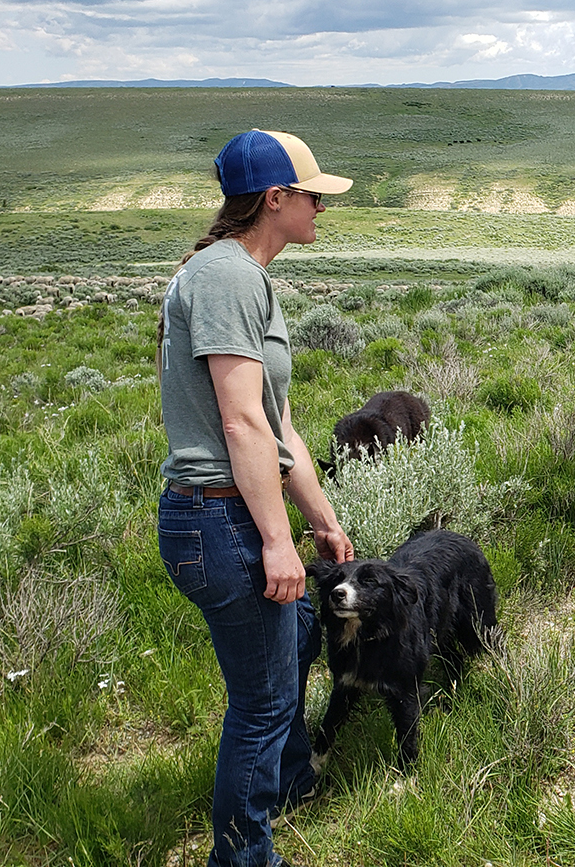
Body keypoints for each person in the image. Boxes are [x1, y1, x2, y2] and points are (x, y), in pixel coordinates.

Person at [157, 129, 356, 867]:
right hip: (221, 518)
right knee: (264, 702)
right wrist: (277, 541)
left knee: (300, 635)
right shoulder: (227, 277)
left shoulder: (240, 273)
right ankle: (244, 857)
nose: (320, 210)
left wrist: (322, 522)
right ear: (275, 199)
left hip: (231, 511)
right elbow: (240, 423)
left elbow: (279, 428)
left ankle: (294, 779)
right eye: (311, 196)